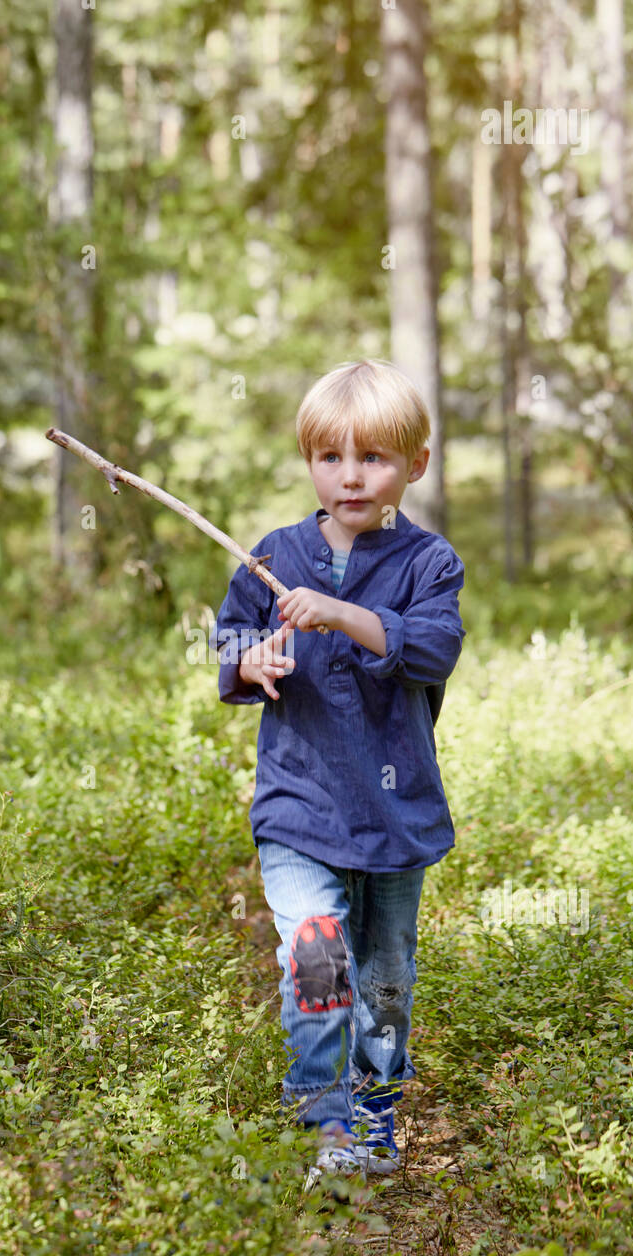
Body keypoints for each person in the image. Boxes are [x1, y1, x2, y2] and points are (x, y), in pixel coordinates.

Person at [210, 358, 466, 1189]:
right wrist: (250, 661)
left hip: (395, 814)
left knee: (386, 975)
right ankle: (323, 1114)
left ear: (414, 465)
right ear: (308, 460)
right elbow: (225, 642)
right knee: (317, 953)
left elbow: (430, 647)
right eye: (330, 457)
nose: (350, 476)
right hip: (301, 806)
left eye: (374, 458)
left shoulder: (430, 564)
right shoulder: (273, 555)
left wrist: (341, 615)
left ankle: (377, 1108)